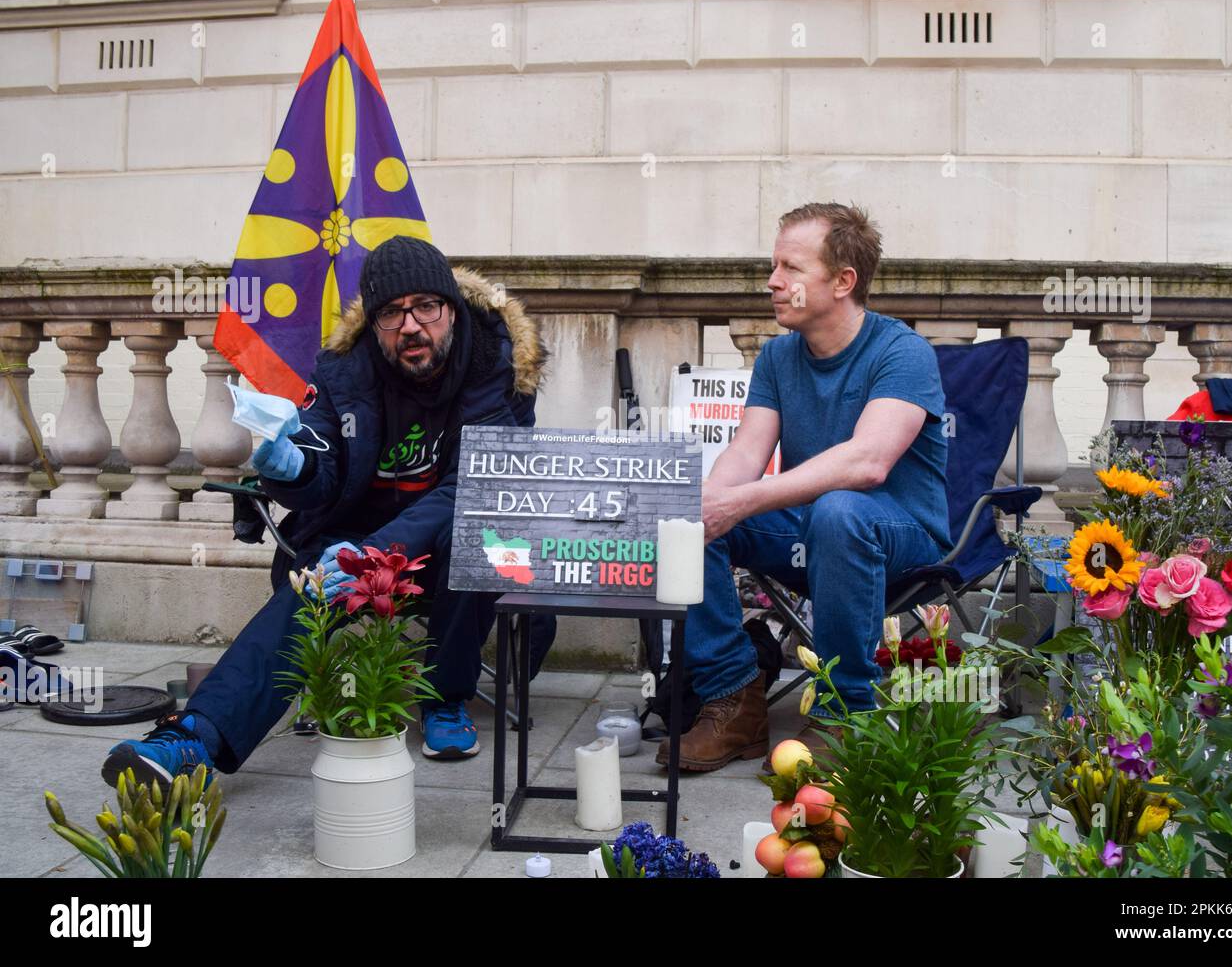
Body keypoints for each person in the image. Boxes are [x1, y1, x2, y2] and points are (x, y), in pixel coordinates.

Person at [103, 236, 547, 788]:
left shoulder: (496, 371)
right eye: (391, 312)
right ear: (375, 322)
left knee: (473, 540)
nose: (411, 326)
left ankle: (446, 700)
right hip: (346, 537)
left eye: (426, 308)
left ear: (451, 311)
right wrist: (293, 468)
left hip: (437, 542)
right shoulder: (343, 370)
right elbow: (324, 470)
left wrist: (375, 554)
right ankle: (192, 736)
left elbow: (467, 489)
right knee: (307, 592)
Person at [657, 202, 951, 772]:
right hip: (809, 527)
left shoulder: (903, 353)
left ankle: (844, 712)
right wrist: (709, 506)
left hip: (899, 535)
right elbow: (746, 451)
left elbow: (868, 463)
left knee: (839, 511)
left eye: (790, 268)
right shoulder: (778, 356)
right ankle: (733, 700)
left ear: (843, 281)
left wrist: (745, 500)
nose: (772, 282)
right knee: (691, 516)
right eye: (774, 266)